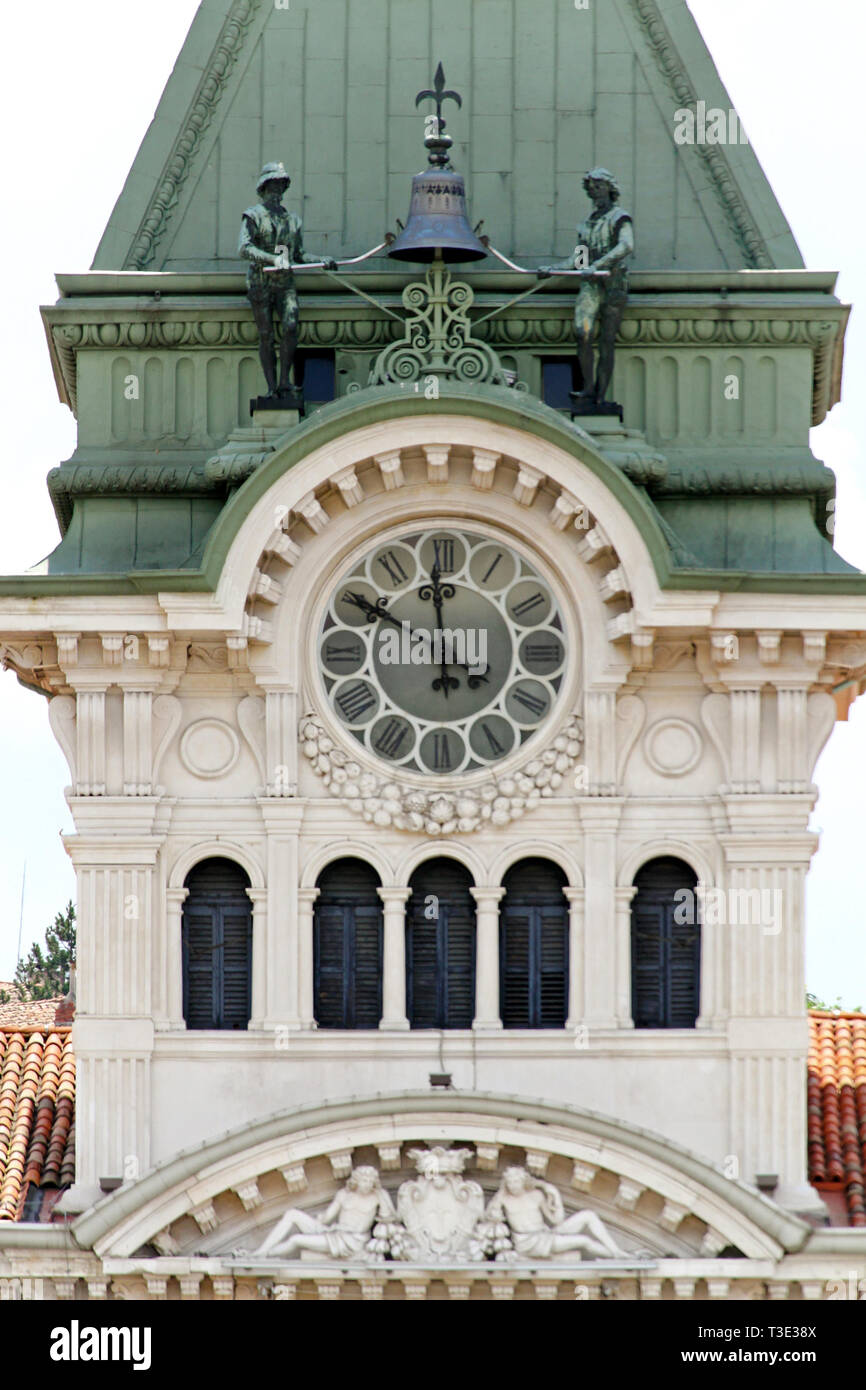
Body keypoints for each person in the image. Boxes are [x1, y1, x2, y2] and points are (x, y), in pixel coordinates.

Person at [239, 161, 338, 400]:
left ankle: (285, 382)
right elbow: (244, 248)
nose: (277, 190)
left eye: (280, 185)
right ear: (264, 188)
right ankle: (272, 387)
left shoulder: (292, 220)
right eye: (273, 185)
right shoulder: (253, 216)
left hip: (285, 283)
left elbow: (298, 255)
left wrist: (321, 260)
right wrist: (272, 259)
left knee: (291, 326)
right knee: (266, 335)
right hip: (261, 282)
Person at [538, 168, 633, 405]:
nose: (594, 191)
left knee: (607, 340)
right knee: (583, 332)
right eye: (591, 188)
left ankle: (600, 395)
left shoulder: (619, 217)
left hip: (613, 282)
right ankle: (588, 388)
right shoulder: (586, 224)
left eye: (599, 186)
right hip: (591, 283)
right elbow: (578, 259)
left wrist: (599, 264)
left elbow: (626, 246)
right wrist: (552, 269)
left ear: (610, 189)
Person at [252, 1166, 396, 1260]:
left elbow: (388, 1217)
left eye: (371, 1181)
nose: (368, 1184)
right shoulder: (344, 1194)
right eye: (364, 1180)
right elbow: (328, 1216)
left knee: (296, 1239)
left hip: (351, 1242)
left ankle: (265, 1255)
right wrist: (319, 1220)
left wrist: (382, 1196)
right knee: (292, 1214)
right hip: (334, 1232)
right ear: (357, 1181)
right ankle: (262, 1249)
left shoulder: (376, 1196)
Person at [485, 1166, 628, 1259]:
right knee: (584, 1241)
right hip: (529, 1244)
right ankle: (618, 1257)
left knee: (588, 1215)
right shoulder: (504, 1199)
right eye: (509, 1182)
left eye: (516, 1181)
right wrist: (499, 1195)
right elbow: (488, 1215)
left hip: (545, 1234)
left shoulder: (536, 1195)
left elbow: (556, 1220)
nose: (513, 1185)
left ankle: (616, 1251)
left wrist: (553, 1193)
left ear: (523, 1181)